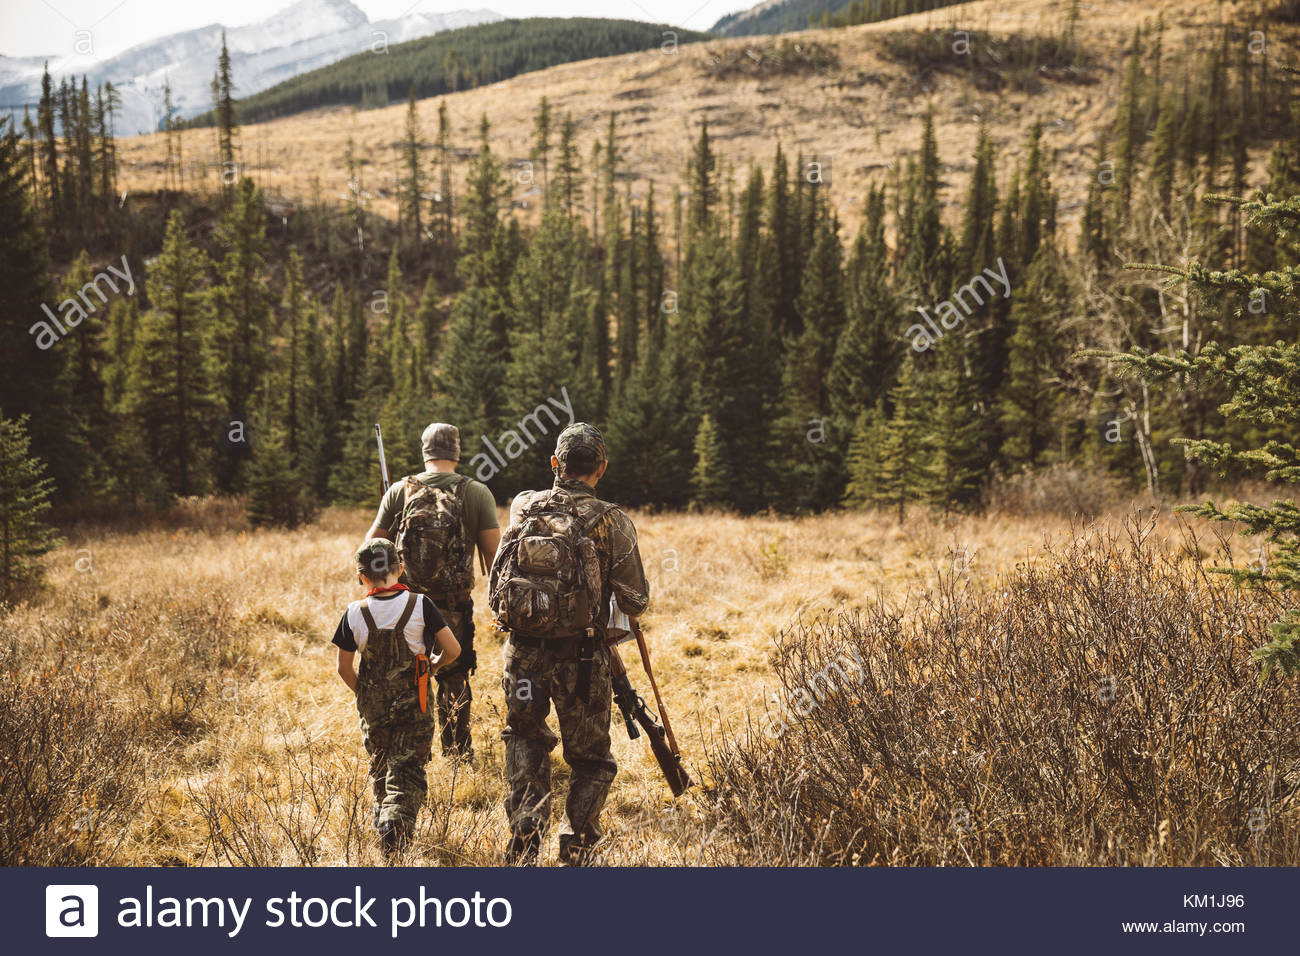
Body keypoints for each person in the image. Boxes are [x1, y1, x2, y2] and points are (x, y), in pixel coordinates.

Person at [490, 422, 649, 865]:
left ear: (555, 464)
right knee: (591, 759)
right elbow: (635, 600)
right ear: (601, 468)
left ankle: (526, 828)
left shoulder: (523, 505)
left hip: (522, 653)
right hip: (582, 659)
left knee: (524, 736)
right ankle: (575, 850)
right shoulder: (612, 520)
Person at [367, 423, 500, 759]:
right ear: (457, 451)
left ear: (424, 451)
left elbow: (369, 550)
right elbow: (495, 558)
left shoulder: (399, 491)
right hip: (453, 606)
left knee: (405, 676)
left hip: (405, 604)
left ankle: (407, 751)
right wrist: (501, 609)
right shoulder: (476, 493)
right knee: (453, 676)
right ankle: (456, 753)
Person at [332, 538, 461, 858]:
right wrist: (434, 666)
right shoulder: (420, 605)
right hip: (415, 704)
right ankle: (395, 827)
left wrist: (366, 695)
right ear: (400, 569)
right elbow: (453, 649)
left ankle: (385, 832)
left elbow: (343, 668)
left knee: (380, 766)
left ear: (362, 577)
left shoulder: (354, 612)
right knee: (407, 769)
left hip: (373, 708)